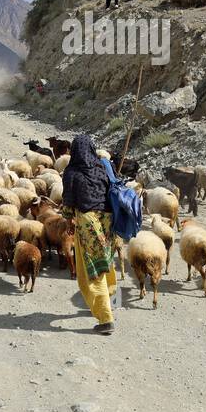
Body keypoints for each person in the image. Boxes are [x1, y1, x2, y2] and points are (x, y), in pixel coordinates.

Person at [61, 134, 118, 335]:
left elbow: (68, 202)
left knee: (92, 270)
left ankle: (105, 319)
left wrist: (68, 220)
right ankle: (111, 299)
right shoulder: (102, 167)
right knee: (106, 261)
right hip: (108, 221)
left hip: (88, 224)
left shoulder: (72, 173)